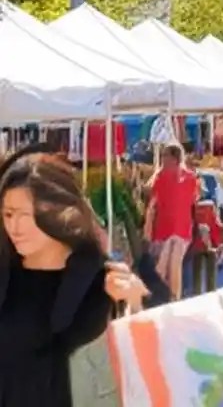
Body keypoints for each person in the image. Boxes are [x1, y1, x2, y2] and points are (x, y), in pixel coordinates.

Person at [0, 146, 150, 407]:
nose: (14, 227)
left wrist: (135, 303)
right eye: (8, 214)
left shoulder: (102, 279)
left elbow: (144, 355)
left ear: (58, 212)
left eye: (25, 215)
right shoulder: (6, 274)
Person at [145, 143, 200, 299]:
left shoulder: (160, 177)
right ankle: (173, 298)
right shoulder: (190, 177)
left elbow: (152, 204)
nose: (162, 159)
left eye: (164, 156)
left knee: (163, 266)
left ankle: (160, 298)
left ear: (173, 158)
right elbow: (194, 199)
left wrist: (147, 229)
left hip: (166, 226)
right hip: (182, 226)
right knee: (174, 264)